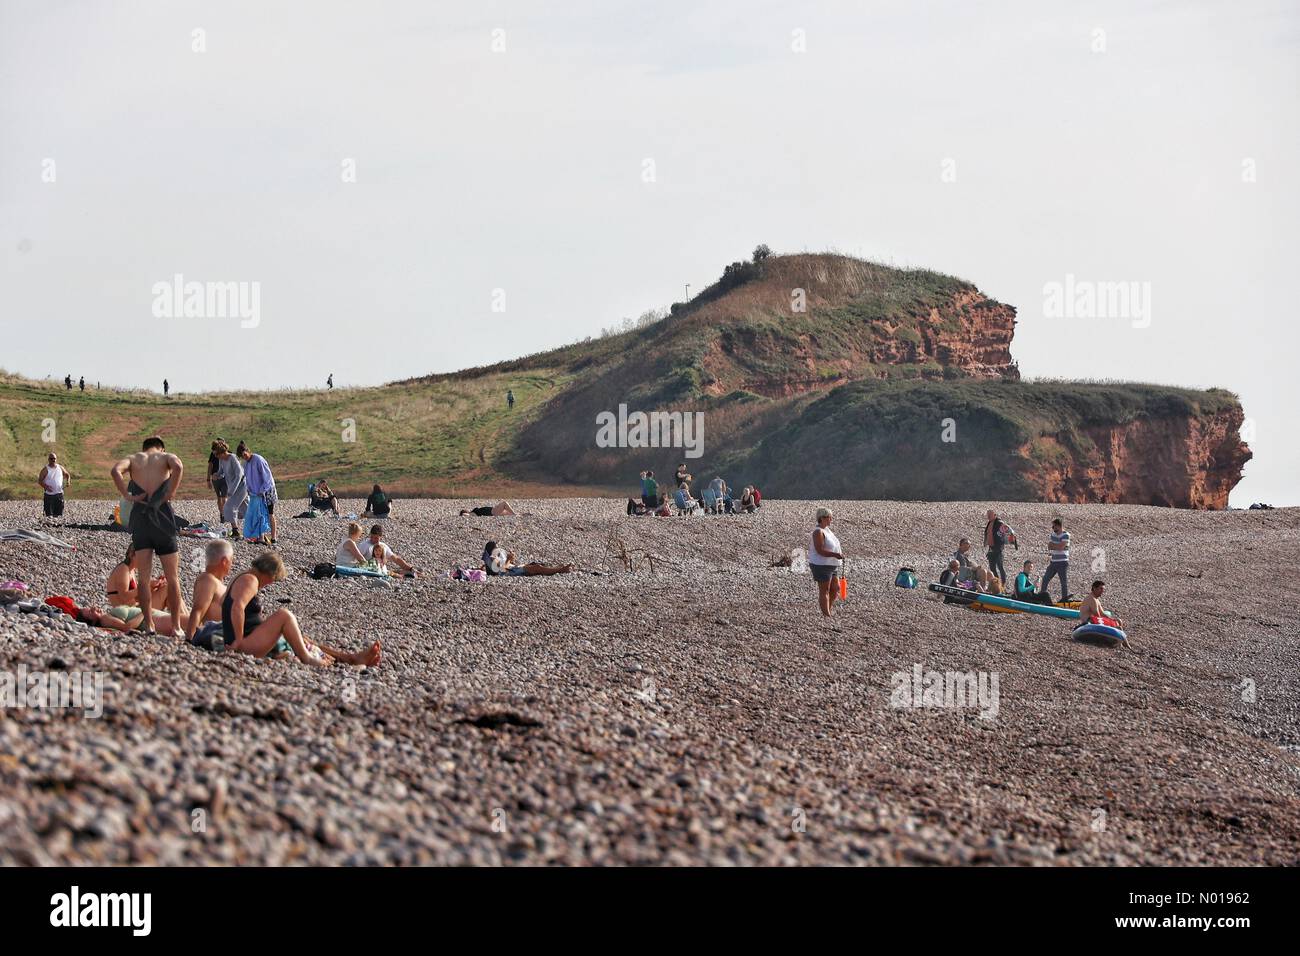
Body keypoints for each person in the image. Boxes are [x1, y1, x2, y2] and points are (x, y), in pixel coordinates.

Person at [223, 552, 381, 667]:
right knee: (284, 615)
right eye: (273, 579)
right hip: (245, 643)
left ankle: (349, 658)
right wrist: (237, 640)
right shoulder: (250, 580)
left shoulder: (241, 577)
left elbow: (224, 606)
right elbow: (237, 608)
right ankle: (308, 659)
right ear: (268, 572)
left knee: (301, 637)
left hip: (247, 638)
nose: (270, 583)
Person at [109, 436, 187, 636]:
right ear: (161, 448)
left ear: (143, 448)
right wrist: (170, 491)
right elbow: (178, 467)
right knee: (172, 577)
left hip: (141, 519)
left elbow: (115, 471)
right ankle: (177, 626)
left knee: (143, 578)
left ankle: (150, 625)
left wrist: (127, 495)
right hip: (162, 517)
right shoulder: (166, 457)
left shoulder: (134, 459)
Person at [185, 539, 234, 638]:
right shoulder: (208, 580)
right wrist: (189, 638)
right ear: (224, 561)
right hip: (217, 634)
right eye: (231, 560)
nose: (232, 565)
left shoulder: (217, 582)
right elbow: (198, 610)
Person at [106, 544, 172, 612]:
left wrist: (155, 586)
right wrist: (147, 585)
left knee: (167, 588)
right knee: (168, 588)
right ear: (132, 555)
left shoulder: (130, 570)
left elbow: (136, 598)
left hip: (134, 610)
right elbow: (123, 597)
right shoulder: (123, 569)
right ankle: (179, 619)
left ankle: (179, 619)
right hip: (129, 614)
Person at [238, 441, 278, 544]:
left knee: (270, 513)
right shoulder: (246, 464)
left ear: (248, 451)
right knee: (258, 514)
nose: (244, 457)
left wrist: (262, 490)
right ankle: (261, 537)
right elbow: (247, 478)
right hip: (256, 493)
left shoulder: (258, 460)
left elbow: (267, 477)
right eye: (242, 457)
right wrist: (249, 490)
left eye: (244, 455)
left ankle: (274, 537)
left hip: (268, 490)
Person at [809, 506, 844, 617]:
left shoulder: (827, 530)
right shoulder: (818, 532)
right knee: (825, 589)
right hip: (821, 564)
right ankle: (826, 615)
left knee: (836, 588)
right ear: (822, 518)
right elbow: (820, 550)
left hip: (832, 564)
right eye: (829, 517)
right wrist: (835, 554)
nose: (831, 519)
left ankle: (827, 609)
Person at [481, 541, 573, 576]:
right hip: (511, 572)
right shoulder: (493, 559)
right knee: (537, 567)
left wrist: (510, 558)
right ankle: (561, 570)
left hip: (513, 568)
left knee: (535, 564)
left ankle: (557, 568)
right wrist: (509, 559)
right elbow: (504, 570)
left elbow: (506, 565)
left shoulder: (492, 558)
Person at [216, 440, 247, 538]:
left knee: (229, 507)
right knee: (246, 508)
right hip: (233, 486)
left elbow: (239, 475)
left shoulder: (232, 458)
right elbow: (221, 471)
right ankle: (257, 528)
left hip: (241, 486)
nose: (217, 457)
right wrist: (217, 475)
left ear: (223, 453)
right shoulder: (221, 459)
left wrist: (232, 490)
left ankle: (235, 531)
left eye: (218, 455)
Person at [1042, 518, 1071, 602]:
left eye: (1054, 526)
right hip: (1053, 561)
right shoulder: (1053, 535)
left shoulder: (1066, 535)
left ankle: (1064, 599)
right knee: (1045, 579)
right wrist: (1057, 546)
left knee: (1063, 582)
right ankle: (1042, 596)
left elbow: (1060, 547)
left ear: (1059, 526)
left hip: (1062, 562)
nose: (1053, 528)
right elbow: (1049, 546)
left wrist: (1056, 546)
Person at [37, 452, 70, 519]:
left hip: (59, 494)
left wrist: (68, 481)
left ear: (56, 459)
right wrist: (46, 486)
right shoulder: (45, 469)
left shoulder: (60, 467)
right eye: (51, 459)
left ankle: (56, 525)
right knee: (48, 514)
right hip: (49, 495)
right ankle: (48, 525)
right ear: (48, 459)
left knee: (59, 513)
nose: (53, 460)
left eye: (54, 459)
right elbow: (39, 481)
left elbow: (67, 474)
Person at [983, 510, 1011, 586]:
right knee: (992, 567)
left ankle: (1003, 585)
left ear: (995, 515)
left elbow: (1006, 532)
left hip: (998, 549)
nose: (988, 516)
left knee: (1000, 567)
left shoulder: (999, 523)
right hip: (991, 548)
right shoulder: (989, 523)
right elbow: (987, 533)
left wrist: (1003, 542)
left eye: (990, 515)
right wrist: (985, 543)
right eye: (987, 515)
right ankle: (997, 584)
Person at [207, 440, 227, 521]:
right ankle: (222, 514)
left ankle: (225, 514)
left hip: (225, 479)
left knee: (224, 498)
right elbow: (210, 466)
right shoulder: (213, 454)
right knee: (219, 498)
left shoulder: (228, 453)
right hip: (215, 479)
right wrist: (208, 479)